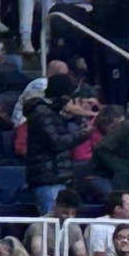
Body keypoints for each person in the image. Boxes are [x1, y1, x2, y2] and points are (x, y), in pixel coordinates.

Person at [25, 73, 94, 215]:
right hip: (48, 178)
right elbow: (56, 142)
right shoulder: (41, 113)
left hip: (59, 176)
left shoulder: (53, 113)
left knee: (64, 226)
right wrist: (83, 135)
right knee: (50, 224)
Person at [24, 188, 87, 256]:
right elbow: (39, 254)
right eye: (65, 212)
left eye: (72, 213)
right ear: (56, 206)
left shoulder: (74, 227)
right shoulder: (39, 225)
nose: (68, 217)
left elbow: (82, 254)